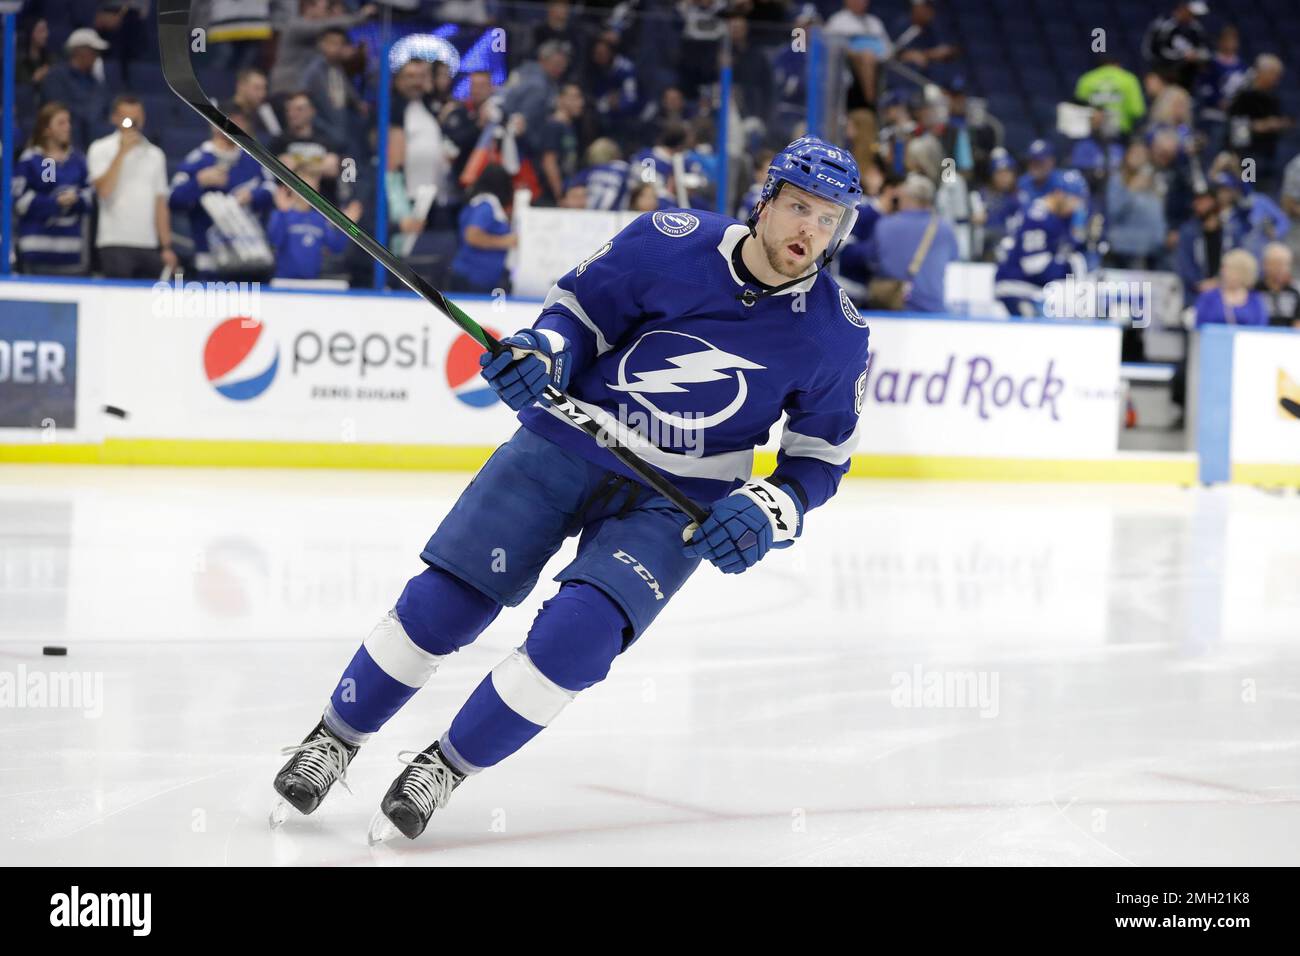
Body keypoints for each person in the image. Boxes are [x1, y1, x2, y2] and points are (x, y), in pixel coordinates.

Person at [269, 138, 872, 842]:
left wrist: (772, 508)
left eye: (828, 219)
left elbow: (818, 460)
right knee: (447, 603)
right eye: (799, 207)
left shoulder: (837, 334)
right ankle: (333, 739)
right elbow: (576, 317)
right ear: (764, 201)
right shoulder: (667, 240)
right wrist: (545, 351)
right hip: (569, 441)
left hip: (675, 501)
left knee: (578, 641)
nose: (810, 230)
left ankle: (444, 767)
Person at [169, 109, 276, 277]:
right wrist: (199, 182)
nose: (235, 127)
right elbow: (174, 198)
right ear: (215, 126)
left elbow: (272, 190)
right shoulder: (199, 159)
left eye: (240, 123)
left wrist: (253, 195)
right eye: (230, 122)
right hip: (211, 257)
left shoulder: (254, 158)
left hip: (252, 254)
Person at [87, 95, 177, 279]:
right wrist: (121, 152)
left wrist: (166, 246)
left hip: (148, 244)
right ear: (114, 118)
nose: (132, 123)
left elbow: (160, 202)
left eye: (137, 118)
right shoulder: (100, 149)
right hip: (114, 242)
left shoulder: (155, 154)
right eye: (127, 118)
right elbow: (103, 191)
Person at [13, 102, 93, 275]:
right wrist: (54, 202)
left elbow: (90, 197)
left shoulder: (78, 160)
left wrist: (76, 198)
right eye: (61, 123)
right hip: (36, 251)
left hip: (71, 253)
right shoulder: (32, 160)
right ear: (46, 129)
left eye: (69, 122)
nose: (68, 127)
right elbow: (20, 201)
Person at [864, 172, 959, 312]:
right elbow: (953, 257)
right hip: (932, 310)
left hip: (890, 308)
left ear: (905, 198)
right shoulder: (945, 229)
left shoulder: (884, 225)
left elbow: (871, 259)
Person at [994, 174, 1087, 317]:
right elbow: (1033, 266)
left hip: (1029, 288)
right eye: (1074, 200)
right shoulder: (1037, 216)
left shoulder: (1056, 216)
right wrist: (1069, 266)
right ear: (1059, 194)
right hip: (1014, 288)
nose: (1075, 207)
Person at [267, 162, 360, 281]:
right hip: (282, 282)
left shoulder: (319, 219)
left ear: (317, 188)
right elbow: (274, 241)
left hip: (311, 283)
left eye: (311, 187)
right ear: (291, 186)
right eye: (302, 186)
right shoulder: (282, 213)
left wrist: (348, 226)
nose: (306, 193)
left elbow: (336, 247)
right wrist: (283, 212)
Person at [447, 164, 516, 294]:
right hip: (474, 278)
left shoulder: (478, 203)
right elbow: (472, 236)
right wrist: (505, 241)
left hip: (476, 277)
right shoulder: (486, 205)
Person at [38, 28, 112, 150]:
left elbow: (106, 107)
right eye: (93, 52)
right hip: (70, 136)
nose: (97, 57)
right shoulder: (56, 77)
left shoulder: (96, 81)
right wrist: (88, 114)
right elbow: (57, 108)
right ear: (80, 52)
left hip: (94, 134)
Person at [1141, 2, 1211, 91]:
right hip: (1163, 73)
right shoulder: (1163, 25)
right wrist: (1183, 57)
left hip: (1187, 76)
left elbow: (1206, 50)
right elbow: (1154, 51)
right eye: (1191, 13)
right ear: (1183, 8)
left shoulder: (1196, 28)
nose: (1193, 17)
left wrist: (1197, 56)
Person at [1194, 248, 1268, 326]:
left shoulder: (1255, 300)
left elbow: (1260, 328)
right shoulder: (1208, 297)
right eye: (1225, 268)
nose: (1225, 273)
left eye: (1233, 270)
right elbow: (1199, 325)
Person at [1256, 242, 1300, 328]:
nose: (1281, 269)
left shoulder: (1294, 292)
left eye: (1285, 264)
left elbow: (1297, 322)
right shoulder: (1255, 290)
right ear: (1265, 265)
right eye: (1277, 264)